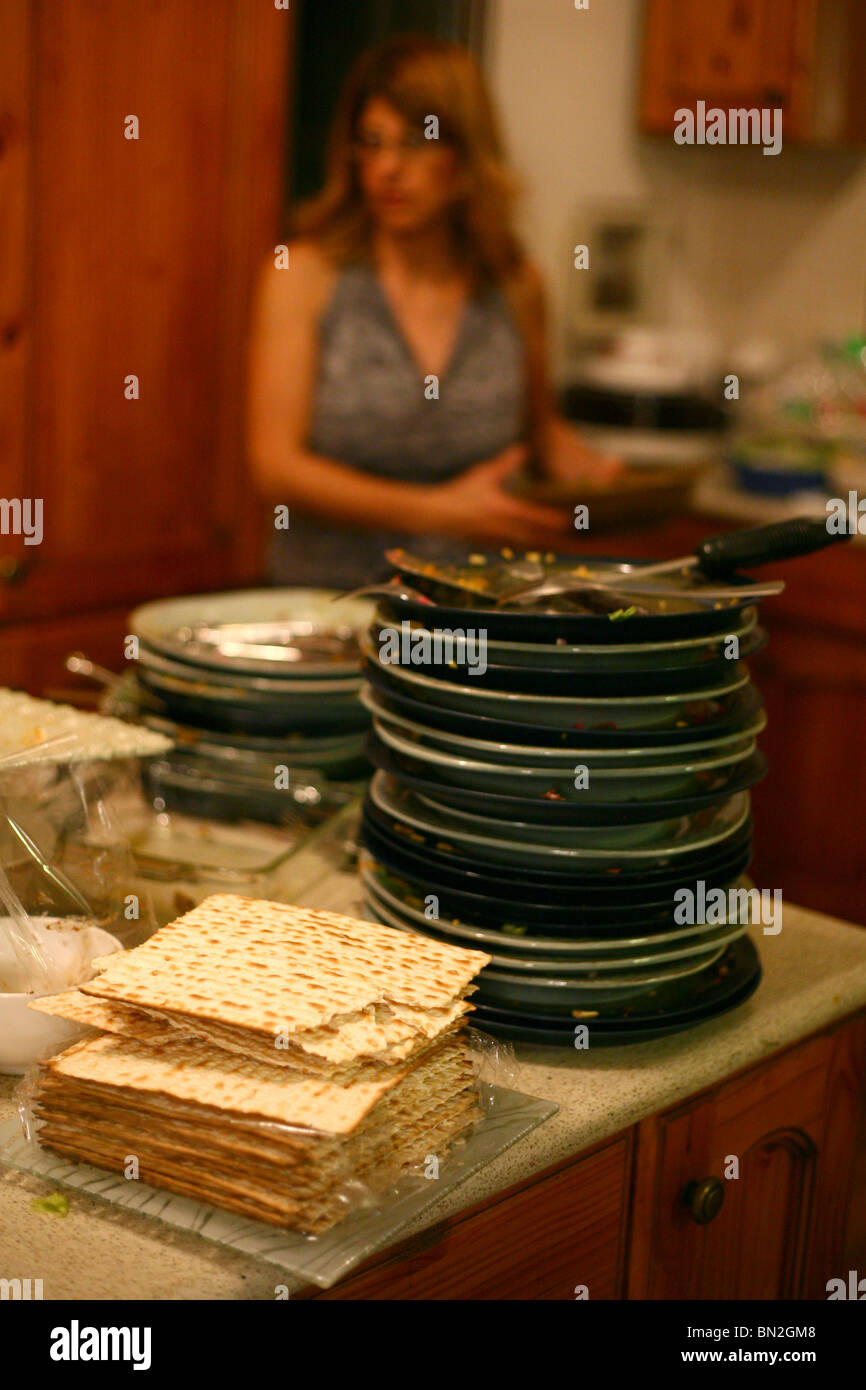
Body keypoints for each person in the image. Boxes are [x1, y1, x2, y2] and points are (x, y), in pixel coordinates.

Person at [248, 34, 620, 589]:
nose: (388, 168)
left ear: (466, 156)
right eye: (371, 144)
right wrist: (436, 511)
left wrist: (598, 475)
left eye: (415, 144)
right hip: (329, 602)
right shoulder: (303, 274)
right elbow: (275, 466)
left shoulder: (516, 284)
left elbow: (537, 430)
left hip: (477, 605)